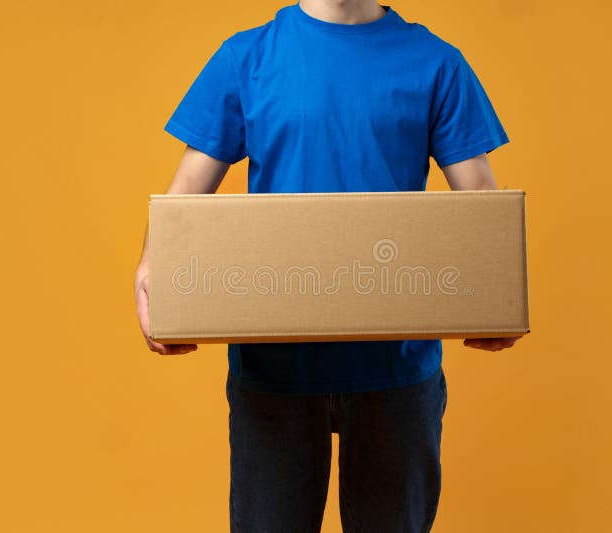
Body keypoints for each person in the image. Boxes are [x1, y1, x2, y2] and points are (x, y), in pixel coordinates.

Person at [134, 1, 522, 531]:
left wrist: (494, 301)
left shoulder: (436, 62)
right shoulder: (246, 56)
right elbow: (183, 192)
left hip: (397, 367)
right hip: (275, 365)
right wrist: (153, 274)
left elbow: (479, 197)